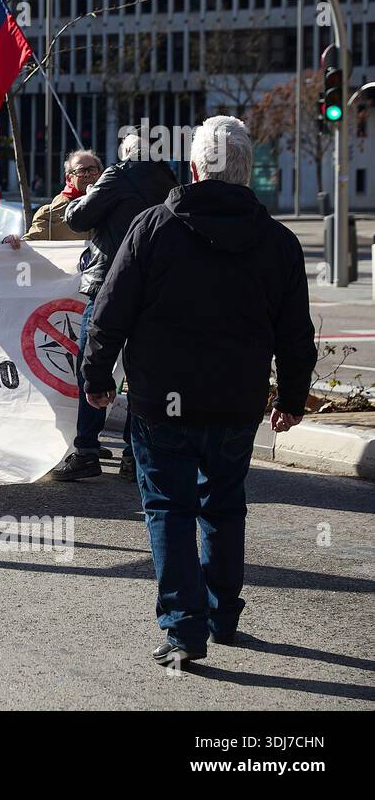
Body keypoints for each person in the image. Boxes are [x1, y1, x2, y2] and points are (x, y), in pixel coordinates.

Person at [80, 116, 316, 670]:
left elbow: (110, 314)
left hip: (161, 400)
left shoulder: (153, 228)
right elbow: (295, 332)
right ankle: (221, 615)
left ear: (192, 167)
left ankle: (185, 631)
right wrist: (293, 397)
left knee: (168, 507)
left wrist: (96, 377)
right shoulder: (279, 242)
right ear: (247, 172)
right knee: (224, 506)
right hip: (236, 401)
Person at [48, 132, 178, 483]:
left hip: (110, 284)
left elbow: (77, 218)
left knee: (91, 364)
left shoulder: (117, 175)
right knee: (139, 372)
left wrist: (89, 195)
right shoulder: (170, 180)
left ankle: (86, 450)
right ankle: (133, 455)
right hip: (153, 289)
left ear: (125, 154)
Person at [3, 150, 102, 246]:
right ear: (69, 178)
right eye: (80, 171)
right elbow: (30, 246)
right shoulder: (49, 214)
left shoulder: (112, 207)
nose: (87, 174)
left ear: (100, 174)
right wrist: (10, 243)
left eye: (92, 170)